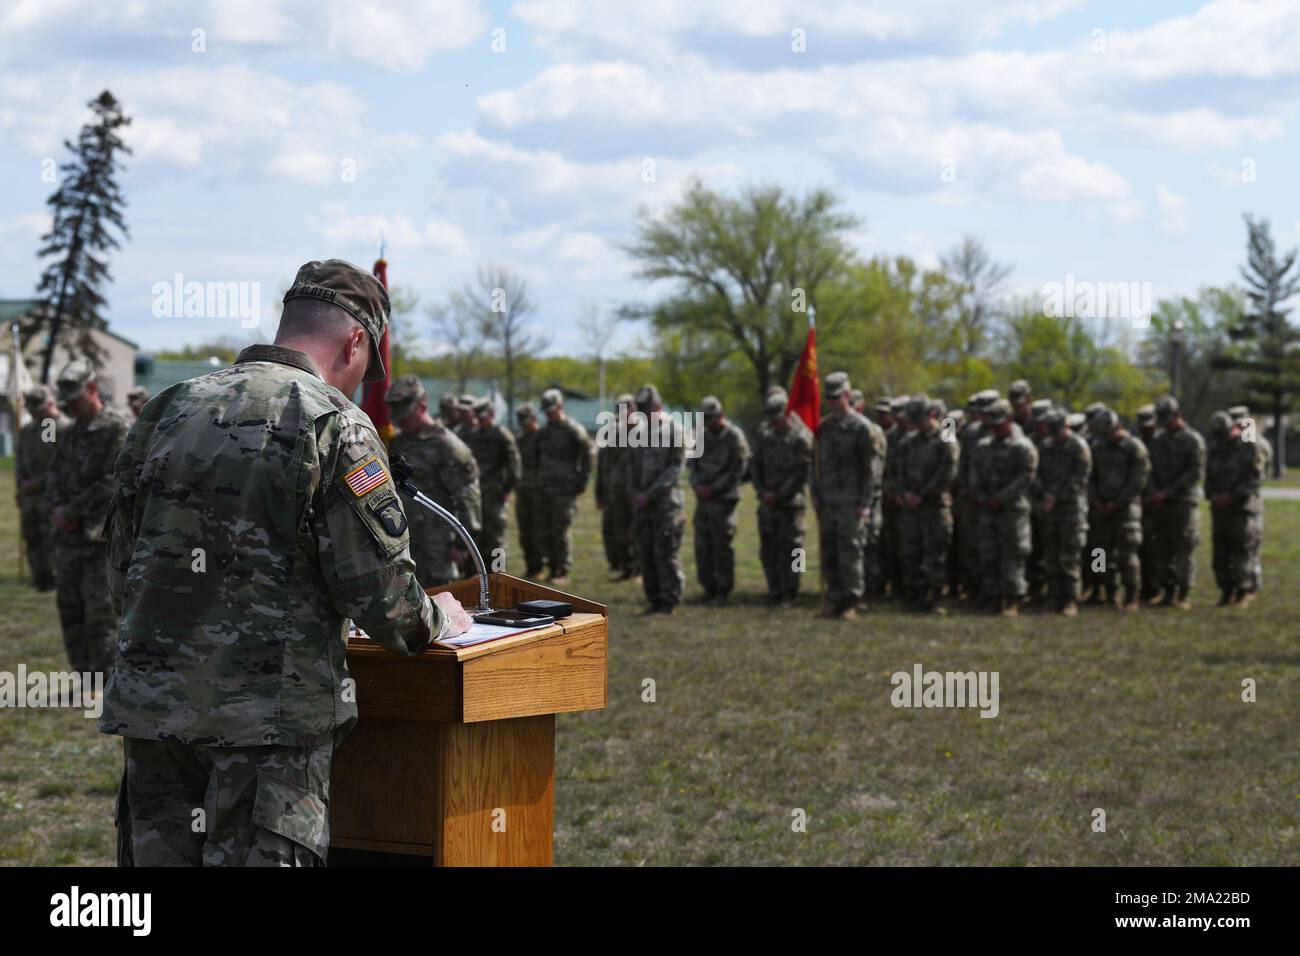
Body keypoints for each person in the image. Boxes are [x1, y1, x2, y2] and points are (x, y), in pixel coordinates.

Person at [100, 258, 471, 866]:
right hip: (265, 732)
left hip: (156, 717)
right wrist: (437, 618)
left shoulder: (168, 408)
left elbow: (121, 571)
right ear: (356, 341)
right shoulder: (332, 422)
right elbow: (380, 597)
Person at [46, 359, 130, 675]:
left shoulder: (115, 427)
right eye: (66, 401)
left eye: (75, 399)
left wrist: (72, 511)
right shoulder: (68, 433)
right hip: (67, 539)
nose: (70, 407)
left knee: (101, 615)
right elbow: (53, 473)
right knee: (70, 609)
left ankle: (107, 680)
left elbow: (113, 480)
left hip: (99, 540)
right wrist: (56, 510)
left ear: (92, 389)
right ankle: (83, 675)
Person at [386, 374, 482, 587]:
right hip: (402, 544)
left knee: (441, 606)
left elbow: (468, 499)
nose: (400, 421)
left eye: (406, 416)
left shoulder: (447, 446)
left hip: (436, 548)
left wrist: (461, 546)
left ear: (422, 405)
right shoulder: (399, 441)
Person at [810, 371, 884, 620]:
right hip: (828, 501)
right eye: (828, 398)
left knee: (850, 554)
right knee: (829, 553)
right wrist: (816, 494)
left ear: (847, 396)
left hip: (852, 503)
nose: (831, 402)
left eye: (836, 397)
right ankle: (833, 600)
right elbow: (815, 465)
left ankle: (850, 601)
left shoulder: (862, 428)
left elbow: (870, 471)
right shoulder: (823, 428)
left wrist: (865, 503)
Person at [970, 399, 1037, 617]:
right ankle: (993, 596)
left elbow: (1026, 477)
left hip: (1012, 509)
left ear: (1009, 420)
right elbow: (974, 473)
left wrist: (1001, 498)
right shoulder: (982, 446)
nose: (995, 429)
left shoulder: (1023, 447)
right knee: (989, 553)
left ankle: (1012, 598)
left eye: (999, 424)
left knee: (1013, 553)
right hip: (986, 508)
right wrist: (981, 496)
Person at [895, 395, 958, 614]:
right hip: (912, 508)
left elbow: (948, 470)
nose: (913, 423)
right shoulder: (908, 442)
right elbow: (898, 471)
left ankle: (938, 598)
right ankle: (917, 596)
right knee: (912, 552)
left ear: (930, 415)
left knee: (936, 554)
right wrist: (904, 493)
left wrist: (923, 494)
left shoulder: (946, 436)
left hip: (935, 506)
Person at [751, 386, 813, 608]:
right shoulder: (764, 434)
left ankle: (792, 589)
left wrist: (779, 494)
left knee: (795, 550)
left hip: (792, 504)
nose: (773, 423)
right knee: (768, 548)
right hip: (767, 502)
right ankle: (774, 588)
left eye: (777, 418)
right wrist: (762, 491)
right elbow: (755, 465)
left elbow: (801, 473)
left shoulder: (802, 437)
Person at [627, 384, 685, 614]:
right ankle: (653, 598)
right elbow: (631, 467)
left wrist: (649, 494)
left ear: (659, 406)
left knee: (665, 551)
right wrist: (634, 492)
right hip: (642, 504)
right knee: (646, 550)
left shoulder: (675, 431)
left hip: (666, 503)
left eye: (648, 408)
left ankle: (669, 599)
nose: (644, 413)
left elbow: (675, 469)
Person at [688, 395, 751, 605]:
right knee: (702, 545)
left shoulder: (734, 437)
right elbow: (693, 466)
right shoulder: (701, 436)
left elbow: (738, 471)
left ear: (721, 415)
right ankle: (708, 587)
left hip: (723, 500)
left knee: (721, 546)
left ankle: (723, 590)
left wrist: (713, 489)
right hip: (703, 500)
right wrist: (697, 485)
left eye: (711, 418)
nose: (707, 422)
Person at [1143, 396, 1205, 609]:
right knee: (1162, 549)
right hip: (1161, 503)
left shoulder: (1192, 440)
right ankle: (1167, 592)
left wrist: (1167, 492)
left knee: (1183, 550)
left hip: (1182, 502)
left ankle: (1183, 594)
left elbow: (1194, 472)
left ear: (1178, 416)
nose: (1165, 424)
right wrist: (1154, 493)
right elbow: (1148, 470)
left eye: (1168, 420)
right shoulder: (1158, 441)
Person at [1088, 408, 1151, 611]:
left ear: (1117, 427)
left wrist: (1117, 503)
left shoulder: (1134, 448)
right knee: (1099, 553)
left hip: (1125, 509)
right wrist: (1096, 500)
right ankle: (1107, 591)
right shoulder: (1097, 446)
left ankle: (1131, 595)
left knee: (1127, 554)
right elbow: (1090, 477)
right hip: (1101, 508)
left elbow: (1138, 480)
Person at [1036, 408, 1092, 616]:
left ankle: (1071, 598)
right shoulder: (1046, 446)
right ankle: (1053, 595)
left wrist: (1055, 496)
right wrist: (1045, 493)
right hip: (1050, 509)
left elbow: (1079, 478)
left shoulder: (1079, 447)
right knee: (1050, 553)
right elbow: (1037, 473)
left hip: (1071, 509)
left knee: (1070, 554)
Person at [1205, 411, 1264, 607]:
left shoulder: (1250, 447)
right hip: (1220, 509)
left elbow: (1254, 480)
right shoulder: (1215, 448)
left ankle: (1243, 591)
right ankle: (1225, 591)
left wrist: (1232, 497)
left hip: (1241, 509)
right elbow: (1208, 476)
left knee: (1242, 551)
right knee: (1220, 553)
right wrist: (1212, 495)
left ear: (1233, 428)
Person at [536, 388, 593, 586]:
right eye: (546, 411)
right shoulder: (544, 432)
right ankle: (551, 567)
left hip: (565, 489)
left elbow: (588, 456)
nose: (548, 414)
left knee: (560, 530)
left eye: (551, 410)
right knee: (544, 530)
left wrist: (581, 481)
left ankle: (562, 569)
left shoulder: (573, 430)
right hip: (545, 488)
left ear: (560, 406)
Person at [15, 386, 65, 591]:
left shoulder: (49, 426)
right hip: (29, 494)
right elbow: (21, 461)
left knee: (48, 537)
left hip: (46, 493)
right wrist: (21, 487)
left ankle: (52, 576)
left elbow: (51, 461)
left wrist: (40, 482)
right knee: (32, 536)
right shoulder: (29, 429)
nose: (34, 412)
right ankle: (40, 575)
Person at [463, 397, 521, 570]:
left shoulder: (502, 435)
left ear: (492, 414)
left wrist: (505, 490)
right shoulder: (474, 435)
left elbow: (515, 468)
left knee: (496, 537)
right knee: (478, 535)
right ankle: (480, 574)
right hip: (477, 494)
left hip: (495, 495)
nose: (480, 421)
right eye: (478, 418)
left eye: (483, 417)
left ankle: (499, 573)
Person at [594, 394, 638, 581]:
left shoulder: (644, 433)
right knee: (616, 531)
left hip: (635, 492)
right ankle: (625, 566)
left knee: (635, 531)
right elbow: (603, 465)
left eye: (625, 408)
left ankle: (639, 568)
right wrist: (599, 492)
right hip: (614, 492)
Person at [1227, 405, 1270, 591]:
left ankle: (1252, 584)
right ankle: (1244, 582)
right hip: (1238, 502)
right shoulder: (1239, 442)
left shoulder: (1254, 444)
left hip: (1250, 503)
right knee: (1240, 546)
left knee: (1250, 545)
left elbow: (1256, 477)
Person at [514, 403, 547, 579]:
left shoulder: (543, 438)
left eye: (527, 421)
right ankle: (531, 566)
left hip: (540, 491)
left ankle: (542, 566)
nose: (524, 425)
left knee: (539, 530)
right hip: (523, 490)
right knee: (525, 530)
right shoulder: (519, 440)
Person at [1133, 404, 1159, 602]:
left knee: (1156, 549)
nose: (1146, 429)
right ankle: (1099, 586)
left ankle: (1155, 587)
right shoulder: (1135, 444)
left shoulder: (1163, 443)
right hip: (1132, 504)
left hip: (1159, 504)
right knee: (1100, 550)